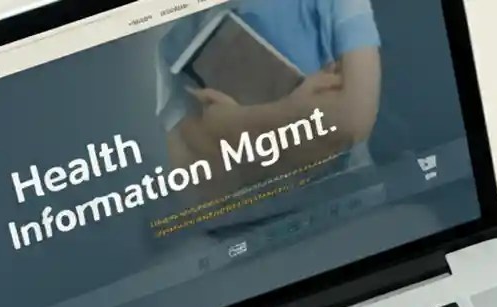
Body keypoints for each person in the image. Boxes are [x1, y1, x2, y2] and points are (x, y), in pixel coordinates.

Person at [158, 0, 383, 199]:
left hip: (348, 201)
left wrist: (234, 125)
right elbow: (190, 175)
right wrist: (303, 119)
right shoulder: (179, 34)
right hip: (249, 226)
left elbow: (352, 119)